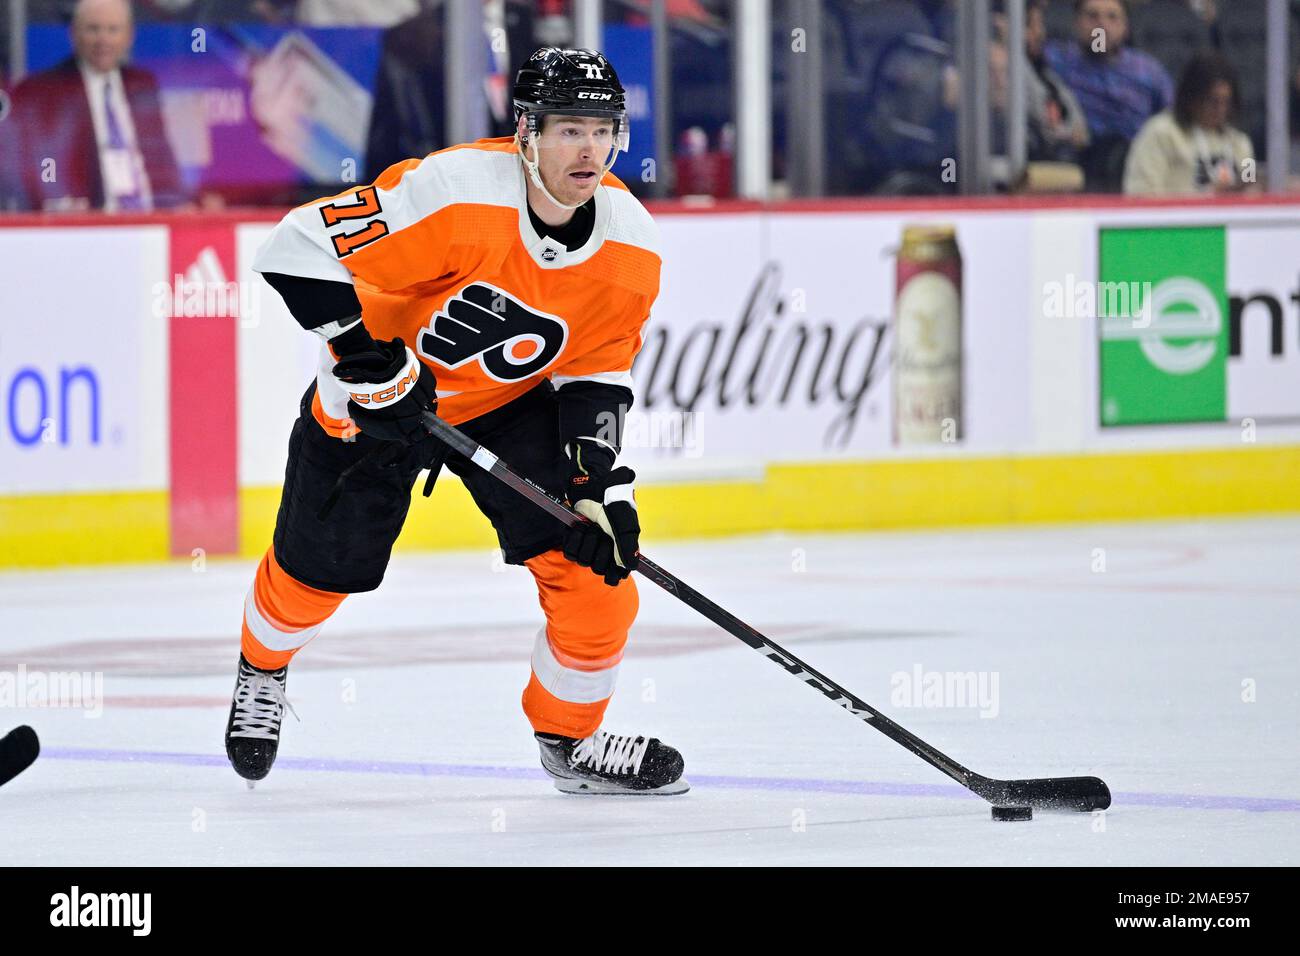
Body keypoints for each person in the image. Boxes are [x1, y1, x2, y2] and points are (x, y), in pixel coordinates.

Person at [227, 47, 687, 796]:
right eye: (570, 129)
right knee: (316, 574)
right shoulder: (454, 192)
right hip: (375, 404)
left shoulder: (631, 247)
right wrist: (364, 358)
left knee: (597, 575)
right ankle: (263, 667)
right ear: (527, 132)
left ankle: (571, 740)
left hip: (508, 406)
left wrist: (596, 484)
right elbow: (297, 246)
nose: (591, 150)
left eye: (604, 130)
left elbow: (596, 371)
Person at [0, 0, 186, 211]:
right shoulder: (46, 89)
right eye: (93, 29)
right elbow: (38, 163)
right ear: (74, 34)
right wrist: (56, 199)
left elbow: (162, 158)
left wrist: (180, 201)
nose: (103, 39)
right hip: (87, 220)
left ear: (129, 36)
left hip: (149, 217)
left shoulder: (142, 84)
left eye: (112, 30)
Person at [1044, 0, 1173, 188]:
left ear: (1125, 27)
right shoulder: (1055, 60)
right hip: (1075, 164)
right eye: (1092, 16)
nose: (1102, 26)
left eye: (1112, 17)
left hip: (1136, 167)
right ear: (1076, 23)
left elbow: (1172, 120)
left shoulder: (1148, 71)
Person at [1124, 50, 1254, 195]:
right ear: (1191, 97)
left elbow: (1251, 190)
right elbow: (1140, 193)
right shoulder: (1160, 134)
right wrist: (1207, 197)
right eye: (1213, 101)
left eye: (1226, 102)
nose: (1220, 110)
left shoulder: (1240, 143)